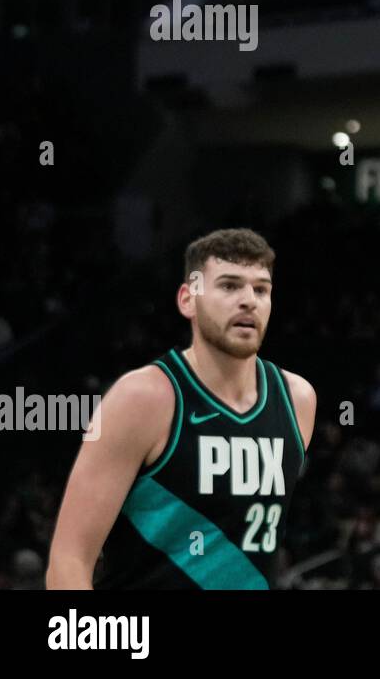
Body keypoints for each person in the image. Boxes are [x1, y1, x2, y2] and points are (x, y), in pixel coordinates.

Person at [46, 229, 315, 588]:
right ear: (188, 300)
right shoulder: (143, 397)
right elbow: (69, 560)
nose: (249, 300)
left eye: (261, 289)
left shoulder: (298, 399)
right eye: (230, 285)